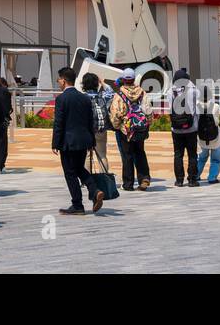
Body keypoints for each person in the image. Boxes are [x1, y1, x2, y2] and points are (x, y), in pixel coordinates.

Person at [52, 66, 101, 214]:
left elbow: (59, 123)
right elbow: (90, 122)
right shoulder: (85, 98)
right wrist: (92, 141)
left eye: (59, 79)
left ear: (64, 80)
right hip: (84, 140)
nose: (58, 82)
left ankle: (78, 205)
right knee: (79, 168)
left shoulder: (61, 99)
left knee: (70, 173)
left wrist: (55, 143)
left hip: (68, 142)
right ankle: (95, 190)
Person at [109, 68, 151, 190]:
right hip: (140, 128)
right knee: (140, 152)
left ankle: (128, 183)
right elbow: (148, 111)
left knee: (127, 156)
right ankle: (144, 178)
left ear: (123, 80)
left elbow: (115, 114)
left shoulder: (119, 94)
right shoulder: (142, 93)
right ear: (133, 79)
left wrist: (117, 126)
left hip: (126, 130)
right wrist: (146, 125)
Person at [167, 68, 200, 188]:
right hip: (191, 128)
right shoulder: (193, 89)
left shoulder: (170, 91)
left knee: (178, 154)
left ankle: (179, 180)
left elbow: (170, 109)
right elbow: (198, 108)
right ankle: (192, 180)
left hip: (176, 128)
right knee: (192, 154)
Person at [81, 72, 114, 175]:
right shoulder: (103, 96)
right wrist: (102, 82)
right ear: (96, 84)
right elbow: (110, 91)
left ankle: (87, 180)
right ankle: (104, 177)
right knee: (102, 155)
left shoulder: (81, 98)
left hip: (87, 130)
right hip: (101, 129)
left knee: (86, 155)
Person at [195, 86, 220, 184]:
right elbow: (216, 122)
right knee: (216, 159)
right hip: (215, 138)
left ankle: (196, 176)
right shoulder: (215, 106)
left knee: (201, 158)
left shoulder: (196, 106)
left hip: (201, 137)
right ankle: (212, 178)